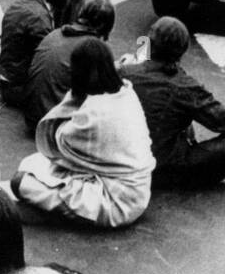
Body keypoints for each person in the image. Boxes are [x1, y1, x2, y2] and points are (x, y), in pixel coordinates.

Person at [11, 38, 154, 229]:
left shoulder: (93, 111)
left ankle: (65, 214)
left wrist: (74, 95)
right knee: (33, 163)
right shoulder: (127, 92)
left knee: (19, 181)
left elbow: (58, 140)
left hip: (115, 202)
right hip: (137, 191)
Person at [119, 17, 225, 188]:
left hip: (128, 160)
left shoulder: (125, 71)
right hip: (162, 163)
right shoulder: (185, 85)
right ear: (182, 51)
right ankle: (181, 177)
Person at [22, 0, 116, 132]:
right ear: (104, 25)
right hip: (56, 125)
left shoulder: (55, 33)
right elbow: (107, 88)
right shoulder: (92, 48)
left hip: (32, 117)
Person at [0, 0, 72, 110]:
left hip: (7, 81)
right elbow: (48, 61)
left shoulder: (18, 4)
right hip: (21, 89)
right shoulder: (40, 18)